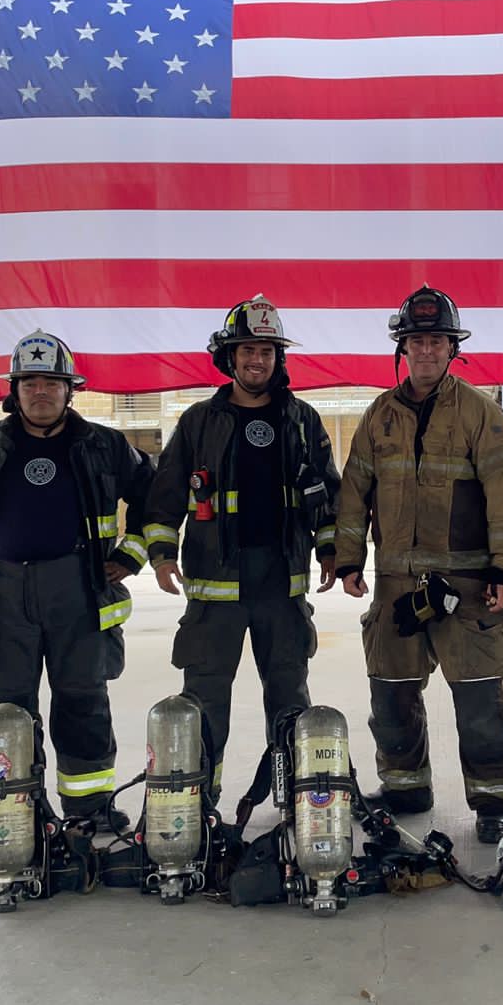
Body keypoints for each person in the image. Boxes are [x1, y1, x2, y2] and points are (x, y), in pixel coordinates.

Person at [0, 330, 153, 829]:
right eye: (29, 382)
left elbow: (153, 498)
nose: (40, 392)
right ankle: (2, 805)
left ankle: (89, 812)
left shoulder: (104, 445)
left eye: (52, 382)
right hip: (3, 594)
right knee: (3, 704)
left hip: (78, 588)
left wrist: (132, 555)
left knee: (83, 700)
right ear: (15, 390)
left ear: (71, 389)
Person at [331, 286, 503, 843]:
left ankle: (494, 802)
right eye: (417, 342)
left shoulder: (481, 414)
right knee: (390, 693)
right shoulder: (378, 416)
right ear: (404, 347)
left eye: (437, 341)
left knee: (480, 697)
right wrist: (349, 560)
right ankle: (405, 787)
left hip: (469, 588)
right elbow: (354, 493)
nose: (427, 352)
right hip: (396, 585)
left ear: (451, 349)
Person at [144, 296, 340, 784]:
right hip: (214, 588)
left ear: (279, 359)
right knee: (205, 700)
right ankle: (200, 797)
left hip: (282, 583)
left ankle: (298, 795)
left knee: (289, 696)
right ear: (229, 357)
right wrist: (163, 554)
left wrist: (331, 549)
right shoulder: (198, 422)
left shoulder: (302, 420)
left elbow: (328, 493)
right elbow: (166, 494)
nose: (258, 360)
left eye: (268, 352)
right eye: (248, 350)